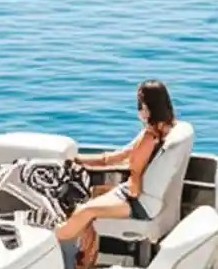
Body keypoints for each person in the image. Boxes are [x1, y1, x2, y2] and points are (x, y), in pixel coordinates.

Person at [52, 79, 178, 244]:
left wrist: (122, 192)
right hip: (147, 197)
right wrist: (80, 160)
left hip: (138, 202)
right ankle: (85, 254)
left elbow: (134, 180)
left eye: (140, 104)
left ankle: (50, 238)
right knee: (93, 198)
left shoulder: (149, 137)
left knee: (85, 211)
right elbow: (119, 156)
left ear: (147, 107)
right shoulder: (167, 129)